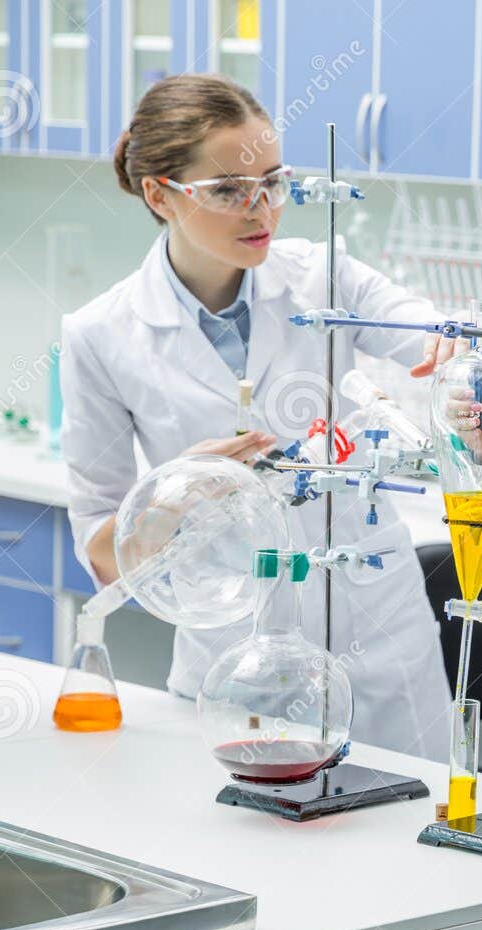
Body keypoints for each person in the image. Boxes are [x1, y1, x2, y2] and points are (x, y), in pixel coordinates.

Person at [61, 74, 458, 760]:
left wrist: (465, 361)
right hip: (234, 662)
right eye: (228, 190)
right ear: (160, 194)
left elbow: (429, 335)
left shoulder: (324, 275)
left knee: (402, 849)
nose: (262, 209)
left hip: (379, 645)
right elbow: (102, 550)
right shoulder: (101, 333)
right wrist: (181, 489)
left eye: (274, 182)